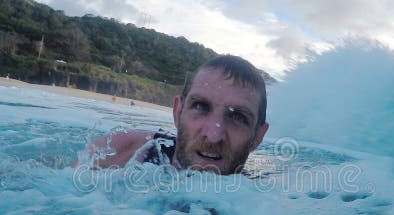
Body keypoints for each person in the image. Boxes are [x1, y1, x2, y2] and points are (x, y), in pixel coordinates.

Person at [86, 55, 269, 175]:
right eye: (200, 107)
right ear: (177, 112)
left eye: (237, 117)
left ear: (257, 137)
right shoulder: (119, 151)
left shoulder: (260, 210)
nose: (213, 136)